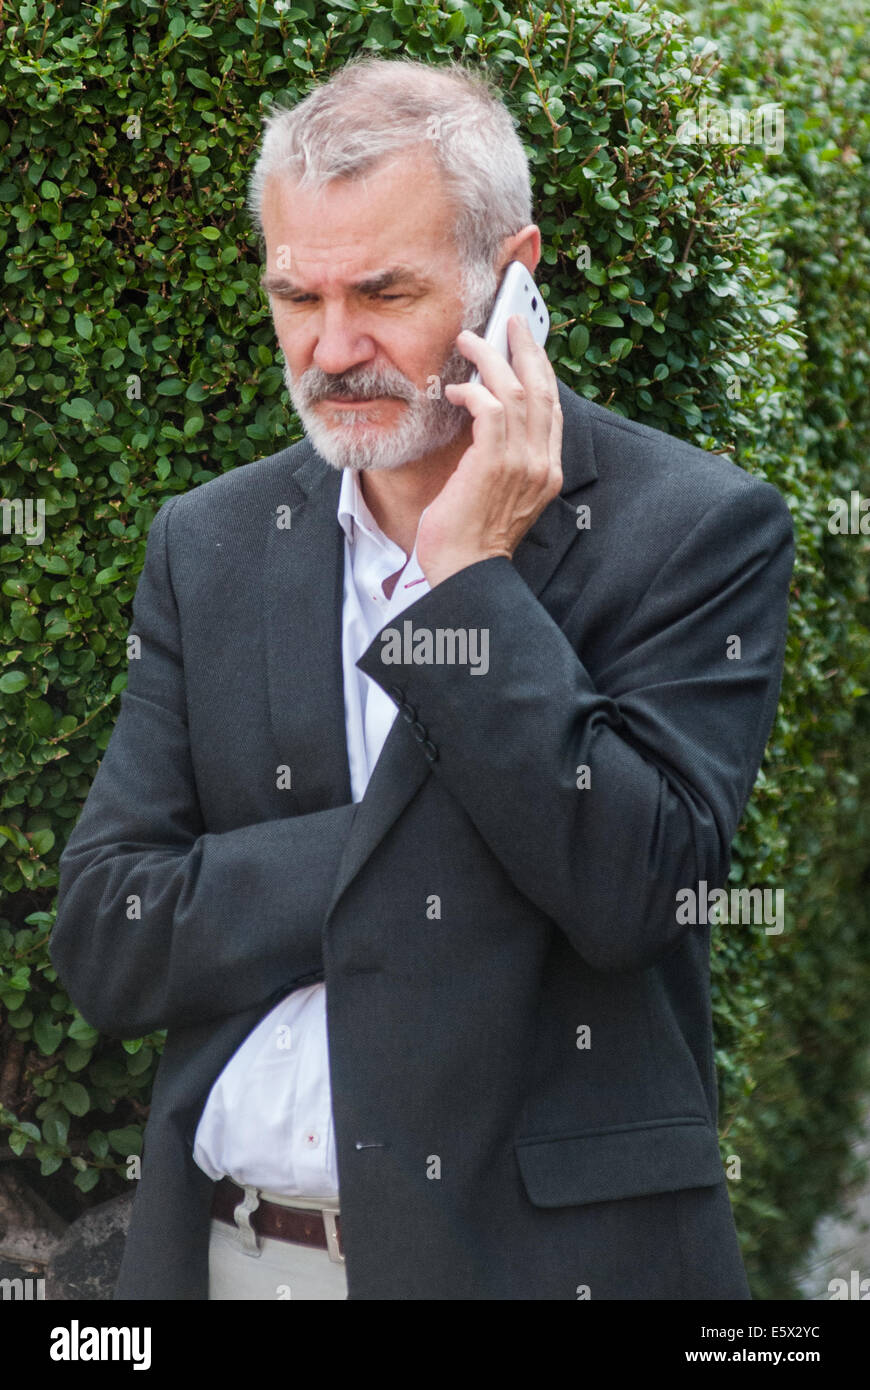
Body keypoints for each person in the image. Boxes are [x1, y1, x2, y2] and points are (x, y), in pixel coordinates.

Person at [51, 55, 794, 1300]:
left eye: (384, 292)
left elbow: (635, 893)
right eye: (298, 295)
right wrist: (419, 856)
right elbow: (111, 933)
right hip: (227, 1260)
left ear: (513, 277)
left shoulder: (696, 530)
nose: (333, 348)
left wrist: (469, 581)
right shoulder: (211, 544)